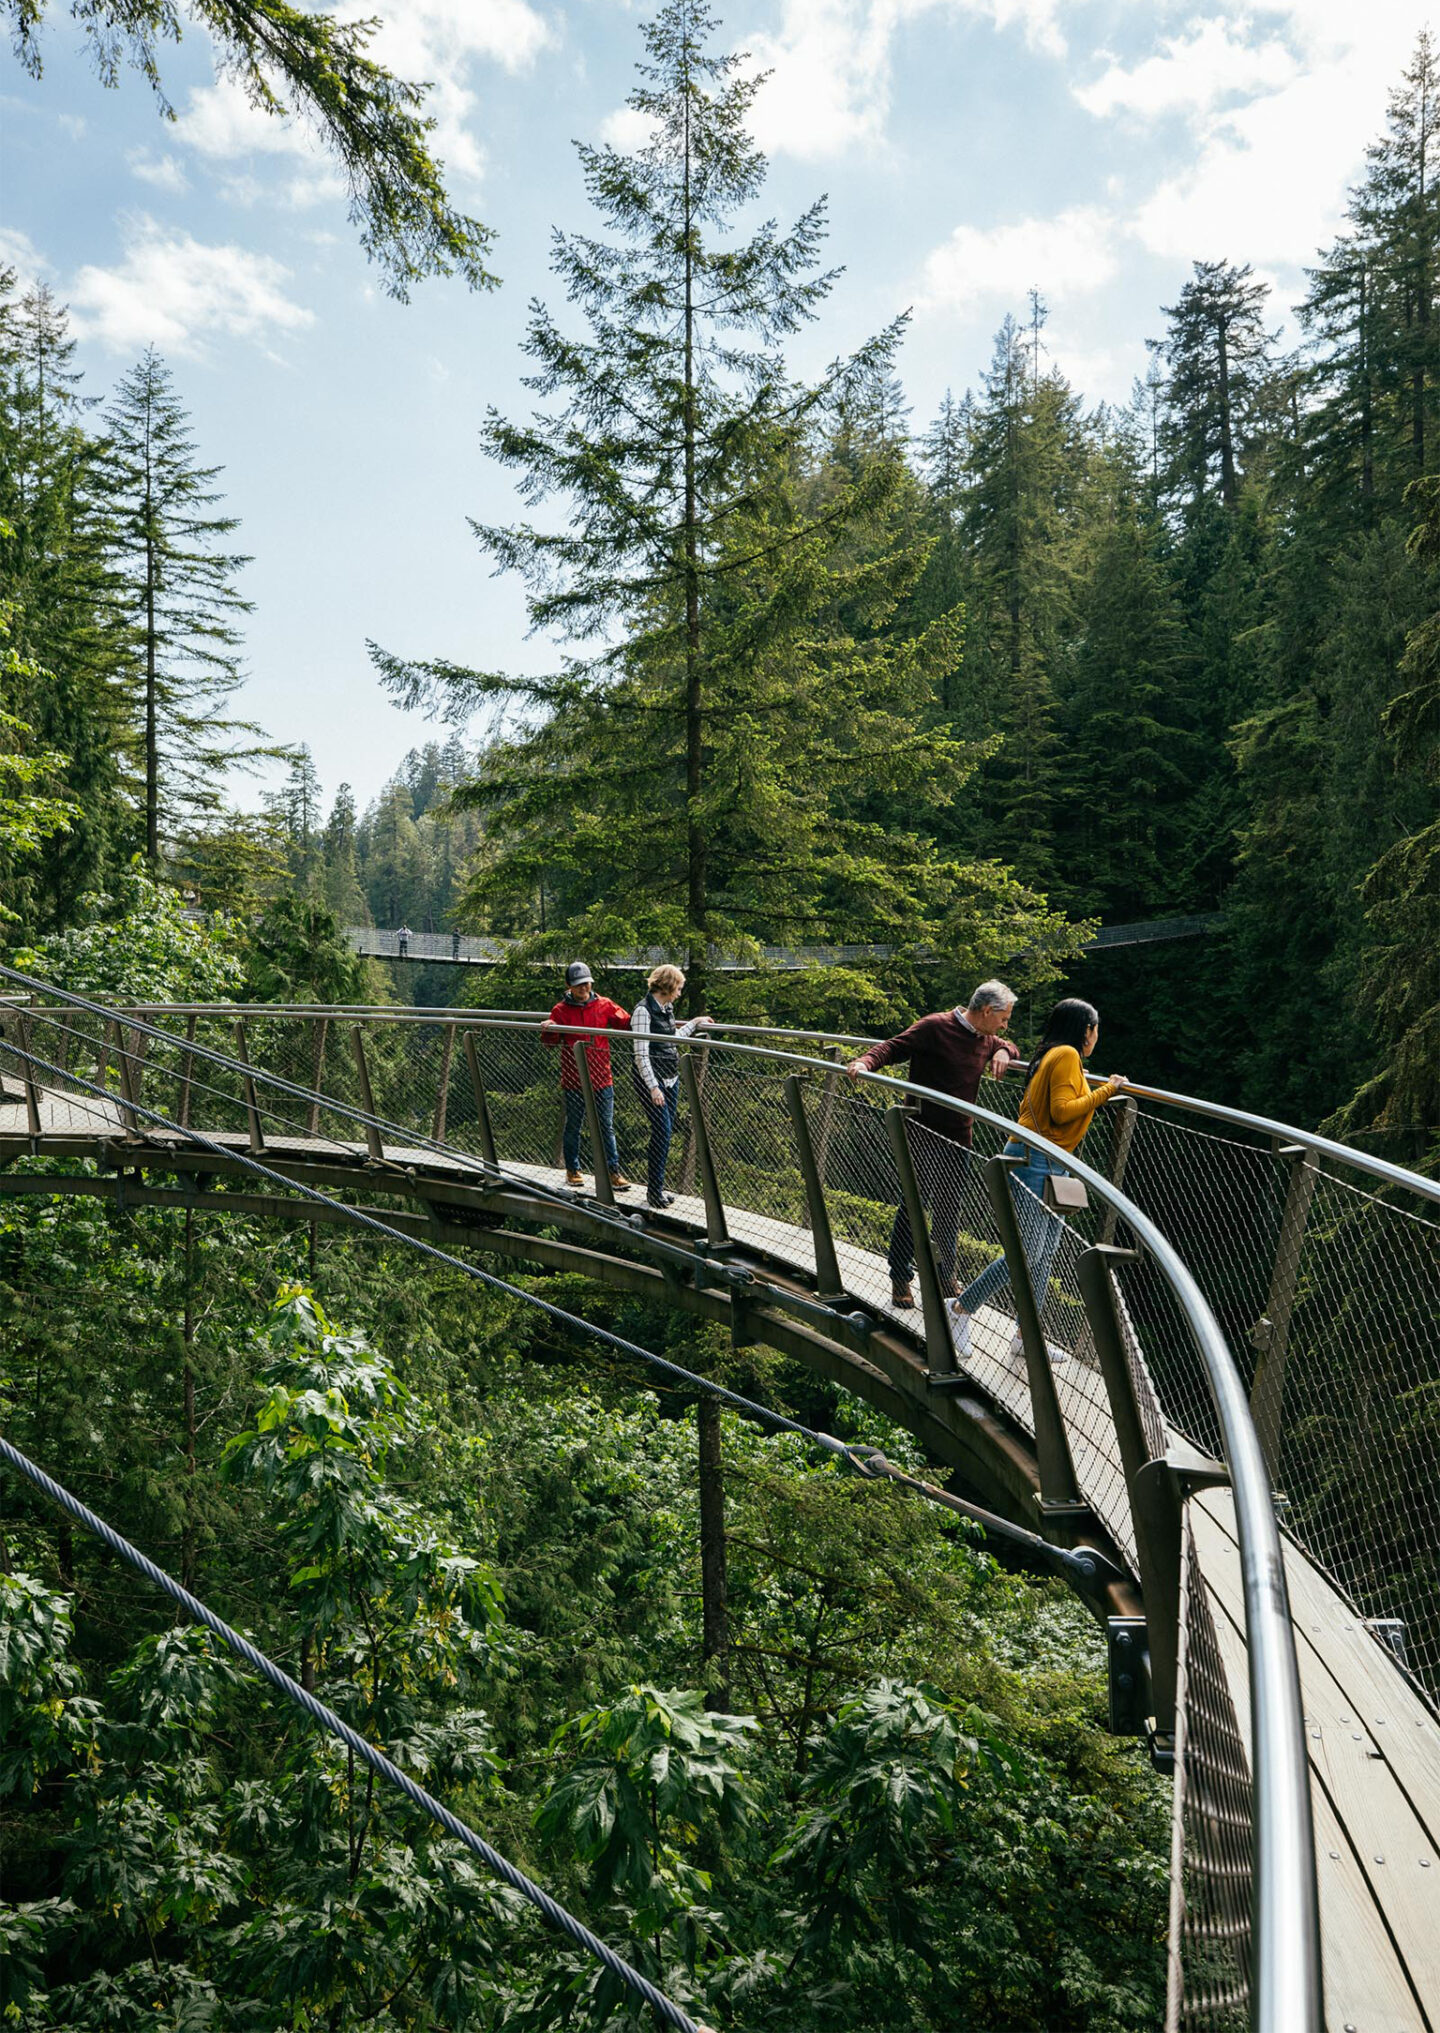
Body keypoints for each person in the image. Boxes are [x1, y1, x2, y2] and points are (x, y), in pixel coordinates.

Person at [947, 997, 1128, 1360]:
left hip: (1051, 1161)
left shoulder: (1053, 1055)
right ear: (1086, 1030)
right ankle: (960, 1309)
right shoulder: (1067, 1055)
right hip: (1033, 1159)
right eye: (1096, 1030)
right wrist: (1108, 1090)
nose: (1096, 1037)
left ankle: (1025, 1335)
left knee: (1044, 1256)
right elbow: (1061, 1112)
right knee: (1028, 1253)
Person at [846, 980, 1021, 1308]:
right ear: (986, 1011)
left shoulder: (985, 1038)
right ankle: (900, 1276)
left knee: (948, 1209)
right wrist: (864, 1063)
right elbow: (893, 1047)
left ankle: (944, 1277)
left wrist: (1004, 1050)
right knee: (915, 1204)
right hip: (922, 1132)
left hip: (959, 1137)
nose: (1005, 1025)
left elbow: (1009, 1045)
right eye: (1004, 1018)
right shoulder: (935, 1026)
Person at [629, 963, 715, 1210]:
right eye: (678, 988)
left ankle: (658, 1189)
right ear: (668, 986)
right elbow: (641, 1054)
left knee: (664, 1134)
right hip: (652, 1081)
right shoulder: (643, 1011)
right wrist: (653, 1087)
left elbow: (672, 1040)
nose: (679, 992)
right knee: (662, 1132)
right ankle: (654, 1191)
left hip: (670, 1078)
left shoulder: (666, 1008)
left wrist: (694, 1023)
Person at [542, 961, 634, 1191]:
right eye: (578, 985)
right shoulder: (560, 1010)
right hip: (574, 1079)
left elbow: (627, 1023)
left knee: (606, 1126)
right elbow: (550, 1044)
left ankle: (613, 1172)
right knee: (574, 1125)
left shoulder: (604, 1005)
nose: (583, 988)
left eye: (586, 983)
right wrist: (550, 1028)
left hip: (602, 1077)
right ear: (569, 986)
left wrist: (655, 1019)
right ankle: (572, 1169)